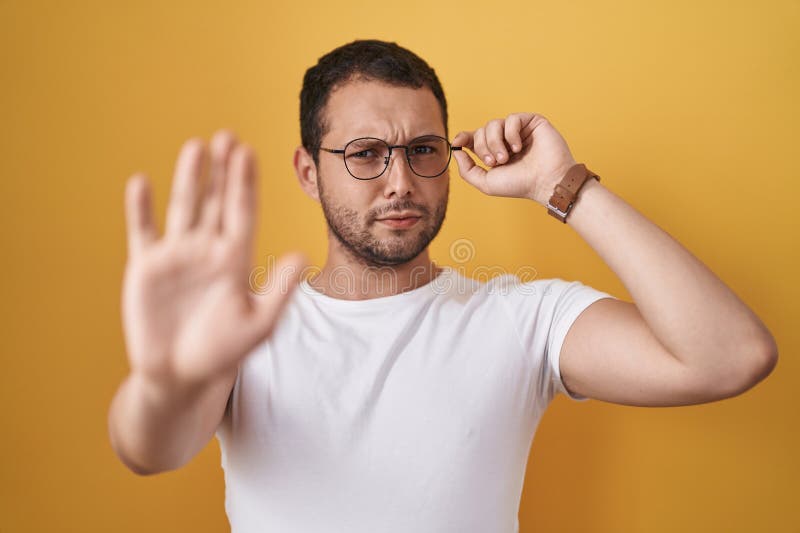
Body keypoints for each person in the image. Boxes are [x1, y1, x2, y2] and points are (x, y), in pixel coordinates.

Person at [107, 39, 778, 532]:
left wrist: (562, 185)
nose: (400, 182)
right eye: (366, 154)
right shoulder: (240, 330)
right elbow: (147, 449)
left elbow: (731, 356)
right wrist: (164, 384)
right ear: (310, 172)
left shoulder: (523, 319)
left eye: (423, 150)